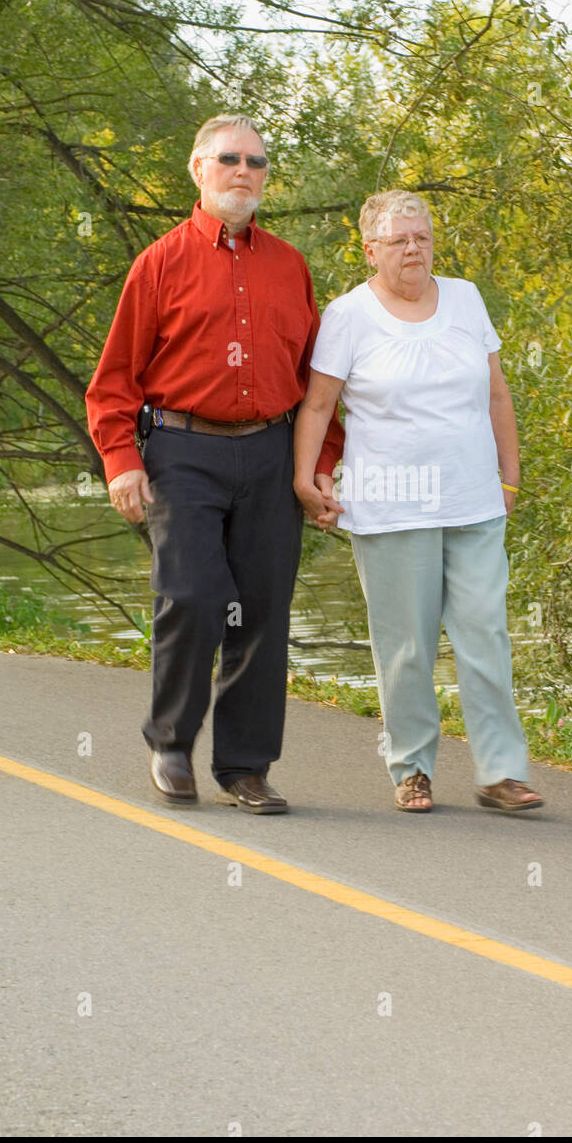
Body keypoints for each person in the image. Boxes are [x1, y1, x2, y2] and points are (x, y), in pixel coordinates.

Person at [85, 114, 343, 813]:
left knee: (261, 609)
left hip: (269, 450)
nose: (243, 171)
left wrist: (320, 463)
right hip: (182, 450)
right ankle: (172, 744)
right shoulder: (159, 263)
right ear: (197, 170)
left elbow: (319, 379)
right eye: (229, 159)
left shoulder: (289, 266)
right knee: (194, 596)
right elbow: (112, 382)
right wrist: (119, 460)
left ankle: (244, 766)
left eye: (256, 162)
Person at [293, 189, 542, 813]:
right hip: (391, 506)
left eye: (423, 237)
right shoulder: (348, 315)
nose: (414, 248)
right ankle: (411, 768)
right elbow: (319, 405)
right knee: (406, 647)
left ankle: (500, 772)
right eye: (400, 239)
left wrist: (509, 477)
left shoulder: (464, 297)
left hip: (474, 499)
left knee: (485, 634)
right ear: (371, 249)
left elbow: (497, 395)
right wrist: (305, 479)